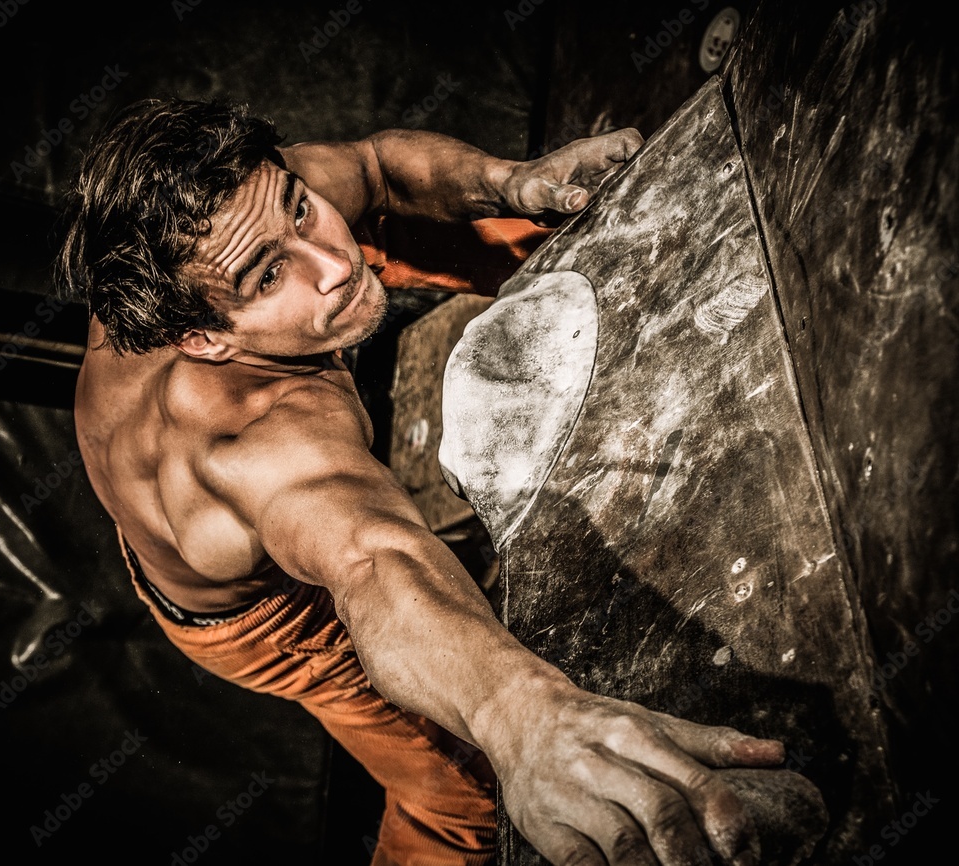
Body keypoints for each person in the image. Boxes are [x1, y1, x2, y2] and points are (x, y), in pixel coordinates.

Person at [58, 97, 786, 866]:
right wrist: (519, 713)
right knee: (464, 796)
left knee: (477, 220)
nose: (334, 263)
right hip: (255, 616)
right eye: (270, 273)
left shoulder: (233, 210)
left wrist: (510, 180)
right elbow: (373, 558)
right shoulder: (258, 442)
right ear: (202, 340)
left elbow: (373, 167)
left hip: (182, 447)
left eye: (302, 211)